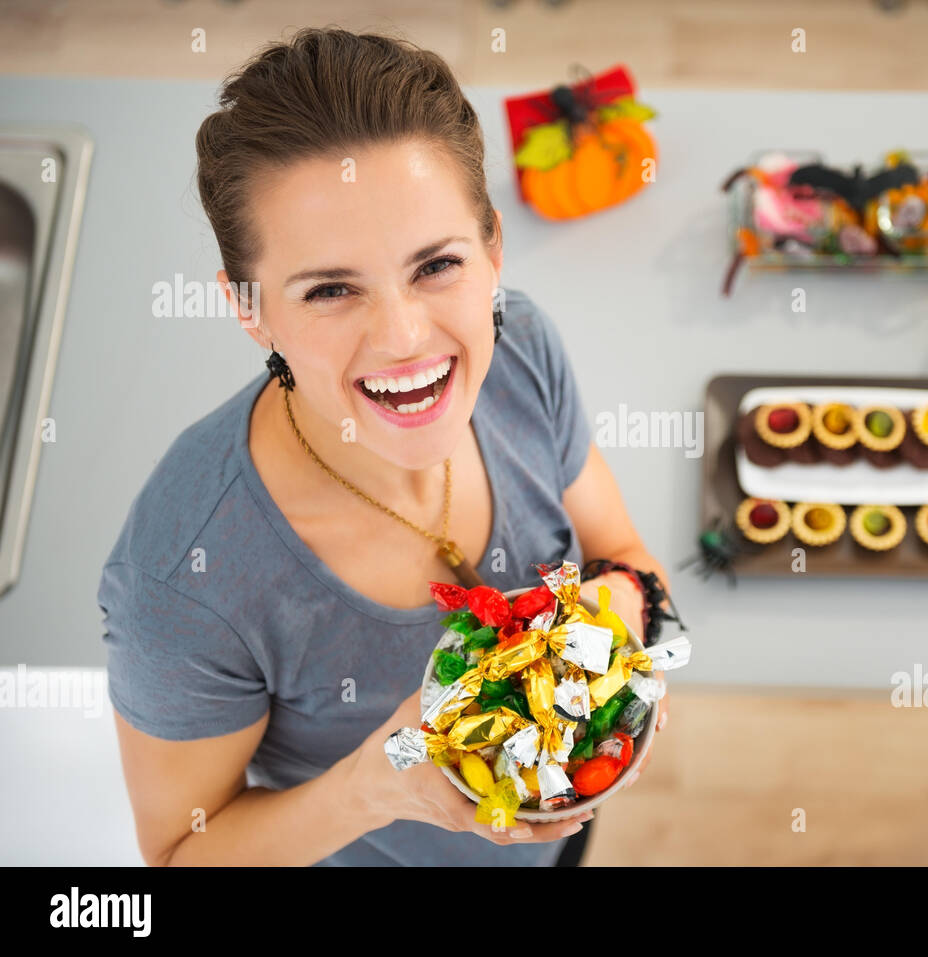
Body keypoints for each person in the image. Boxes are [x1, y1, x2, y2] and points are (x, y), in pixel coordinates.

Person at [97, 27, 669, 866]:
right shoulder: (180, 582)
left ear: (493, 250)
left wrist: (628, 628)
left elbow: (622, 552)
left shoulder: (523, 352)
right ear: (248, 307)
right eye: (331, 288)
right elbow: (180, 857)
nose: (404, 338)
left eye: (436, 265)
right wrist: (376, 786)